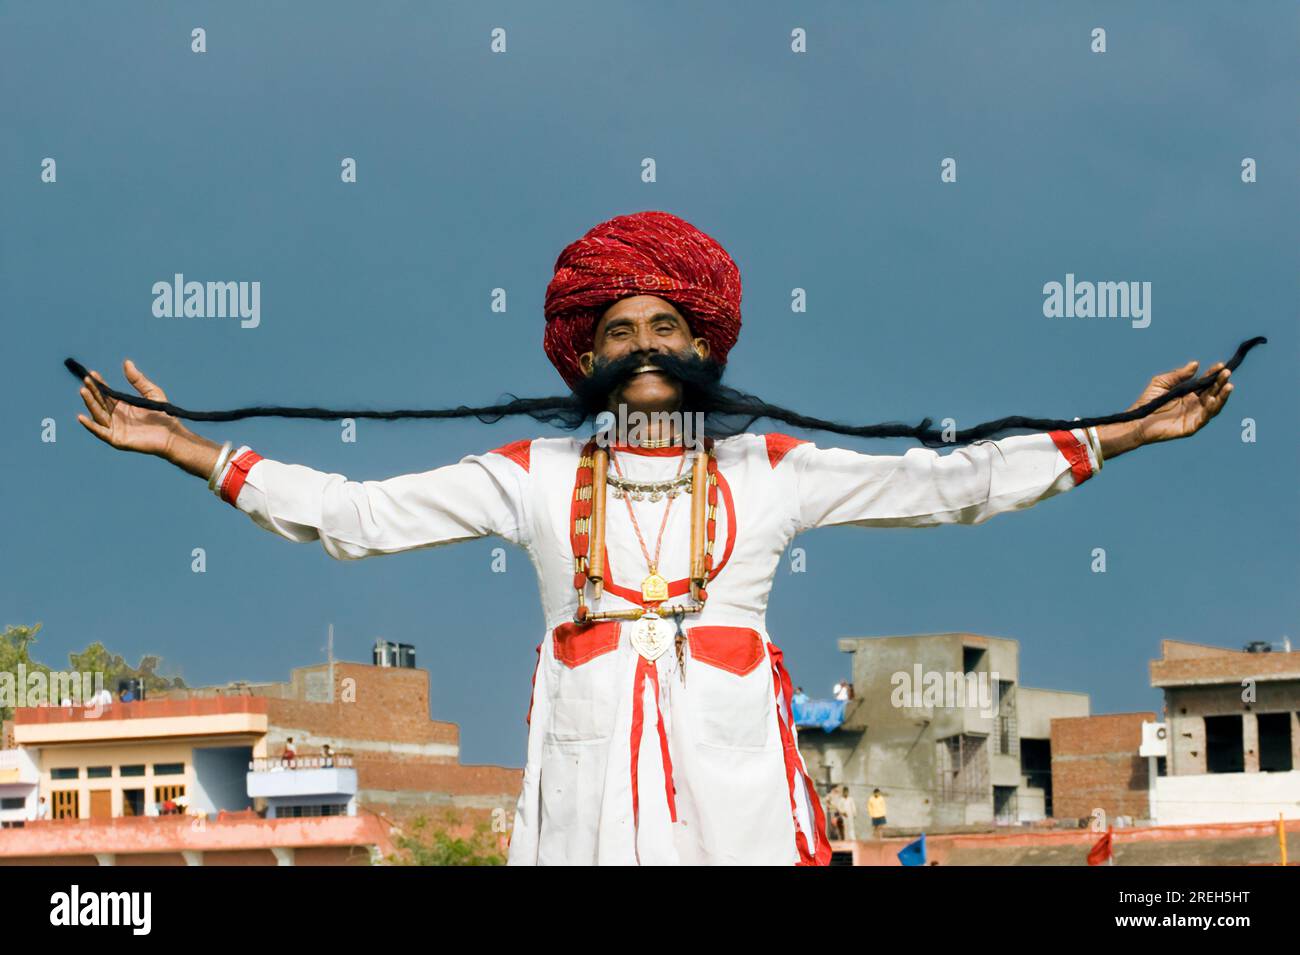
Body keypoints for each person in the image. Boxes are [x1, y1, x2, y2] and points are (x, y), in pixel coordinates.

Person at [72, 211, 1237, 865]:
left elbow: (954, 485)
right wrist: (188, 446)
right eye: (616, 326)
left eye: (664, 322)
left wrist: (1123, 431)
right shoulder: (529, 475)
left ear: (705, 346)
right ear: (582, 355)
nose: (640, 341)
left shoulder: (770, 471)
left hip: (732, 788)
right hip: (581, 790)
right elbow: (358, 517)